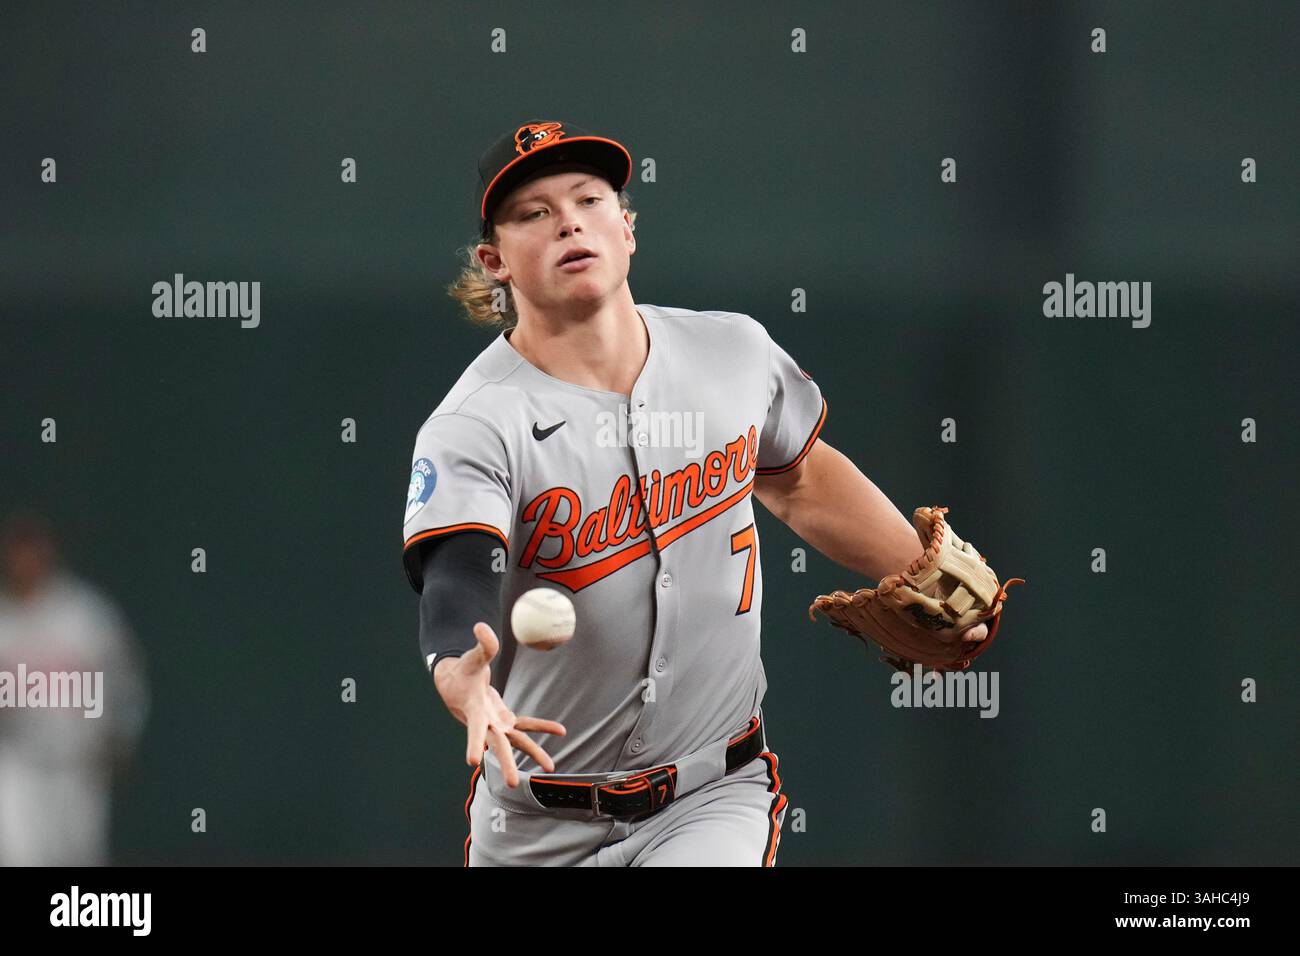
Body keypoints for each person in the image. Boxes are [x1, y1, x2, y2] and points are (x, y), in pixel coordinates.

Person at [402, 120, 988, 866]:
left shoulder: (730, 353)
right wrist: (461, 673)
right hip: (535, 831)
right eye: (533, 213)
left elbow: (800, 479)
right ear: (495, 262)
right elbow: (456, 577)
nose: (568, 222)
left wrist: (919, 576)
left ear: (627, 227)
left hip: (711, 799)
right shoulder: (477, 421)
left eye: (588, 199)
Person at [0, 510, 148, 866]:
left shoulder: (84, 614)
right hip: (15, 763)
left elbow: (123, 679)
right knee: (18, 857)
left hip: (79, 763)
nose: (26, 562)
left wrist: (122, 732)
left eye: (33, 551)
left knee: (78, 862)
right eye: (18, 552)